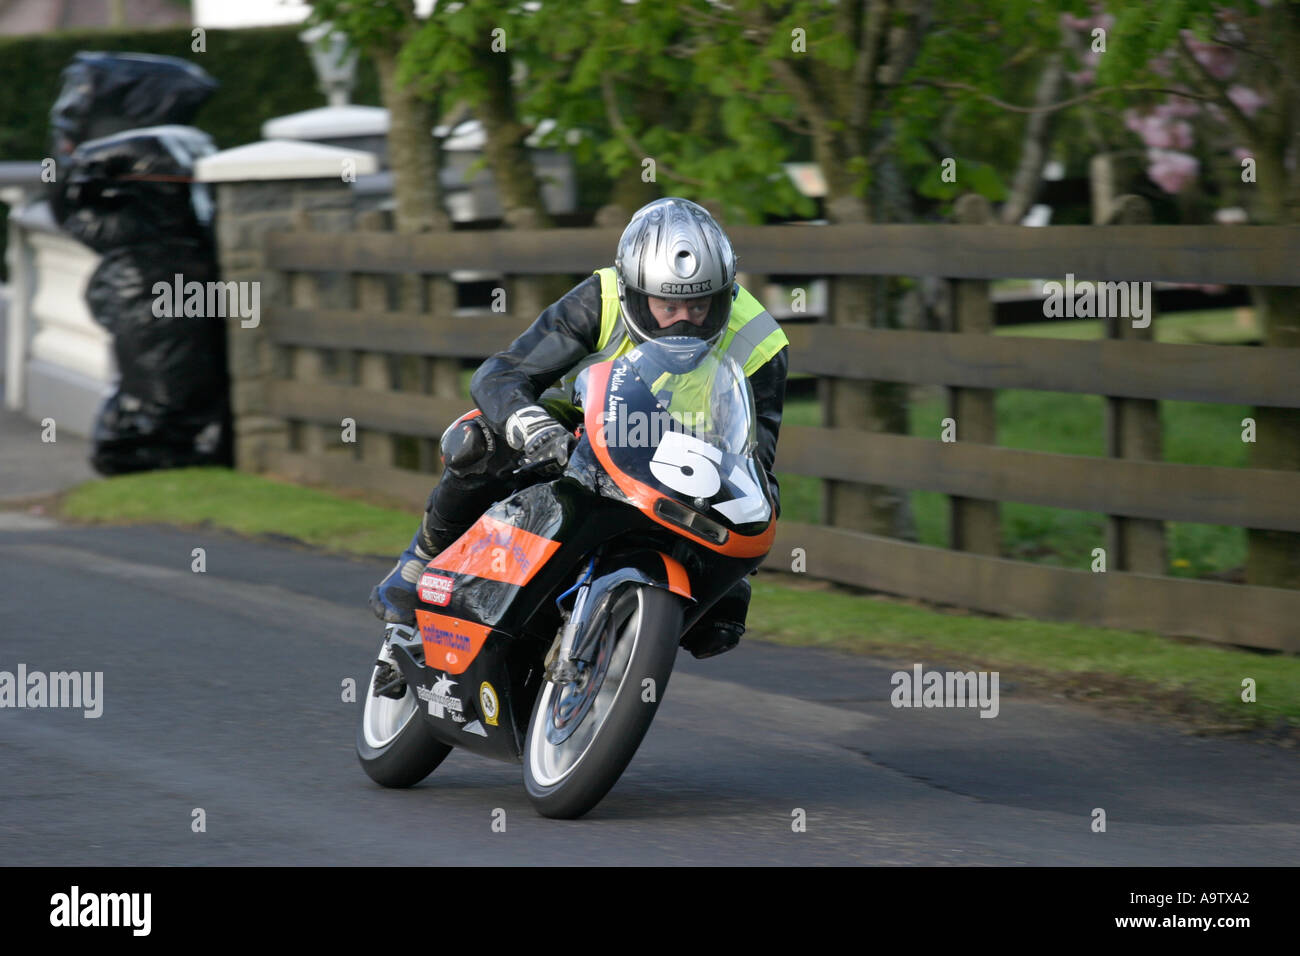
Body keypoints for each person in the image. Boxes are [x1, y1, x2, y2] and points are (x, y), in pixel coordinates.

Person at [369, 197, 789, 658]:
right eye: (667, 305)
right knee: (478, 439)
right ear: (633, 291)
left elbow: (754, 456)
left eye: (699, 304)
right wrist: (529, 424)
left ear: (726, 294)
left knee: (728, 606)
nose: (684, 319)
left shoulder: (760, 341)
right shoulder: (601, 297)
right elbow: (501, 373)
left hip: (685, 463)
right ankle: (421, 560)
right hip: (583, 428)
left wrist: (738, 559)